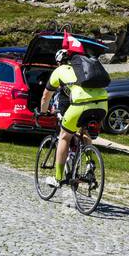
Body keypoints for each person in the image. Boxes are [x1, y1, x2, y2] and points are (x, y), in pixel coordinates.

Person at [39, 41, 109, 189]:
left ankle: (57, 178)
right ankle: (90, 163)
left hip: (80, 105)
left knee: (64, 137)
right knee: (84, 131)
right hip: (103, 104)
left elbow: (46, 95)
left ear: (59, 62)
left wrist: (43, 111)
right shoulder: (84, 69)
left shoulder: (60, 70)